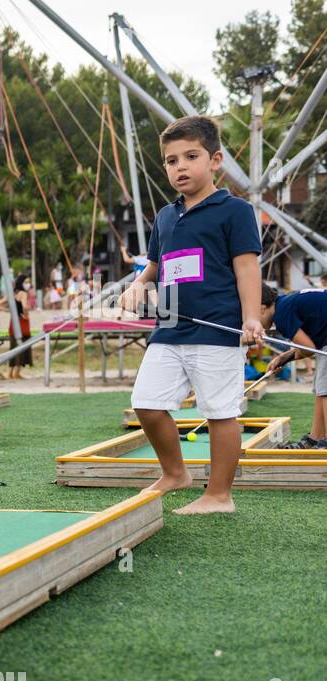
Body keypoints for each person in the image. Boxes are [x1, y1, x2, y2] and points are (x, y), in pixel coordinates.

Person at [118, 114, 263, 515]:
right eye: (170, 160)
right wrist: (137, 284)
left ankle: (219, 495)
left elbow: (247, 267)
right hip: (170, 327)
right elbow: (156, 263)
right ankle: (176, 473)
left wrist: (252, 318)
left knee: (220, 412)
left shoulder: (235, 211)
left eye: (190, 156)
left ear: (215, 160)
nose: (179, 166)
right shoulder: (165, 216)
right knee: (146, 402)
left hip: (218, 329)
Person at [259, 283, 327, 448]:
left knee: (326, 390)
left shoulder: (281, 315)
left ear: (260, 308)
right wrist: (284, 357)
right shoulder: (285, 303)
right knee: (321, 390)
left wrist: (287, 356)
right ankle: (315, 438)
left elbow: (308, 349)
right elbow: (309, 346)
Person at [8, 274, 34, 379]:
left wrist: (10, 311)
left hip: (13, 322)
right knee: (22, 345)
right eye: (26, 282)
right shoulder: (23, 293)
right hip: (21, 322)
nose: (28, 284)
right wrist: (27, 311)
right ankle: (16, 372)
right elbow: (24, 306)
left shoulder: (13, 293)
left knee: (13, 346)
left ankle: (10, 373)